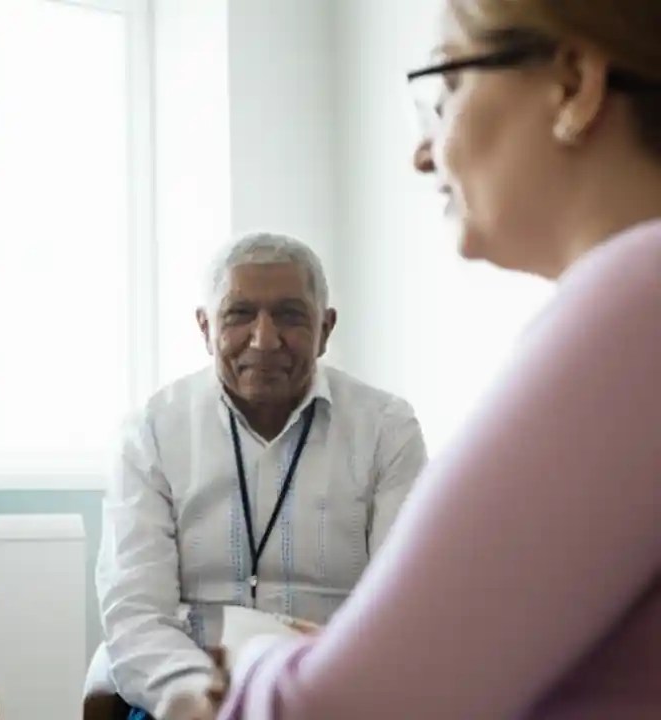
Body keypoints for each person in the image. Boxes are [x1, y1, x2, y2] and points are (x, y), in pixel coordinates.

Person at [211, 1, 661, 718]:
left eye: (445, 89)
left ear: (574, 83)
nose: (422, 153)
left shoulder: (641, 296)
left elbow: (337, 709)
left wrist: (258, 654)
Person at [95, 233, 427, 719]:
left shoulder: (386, 429)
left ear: (326, 327)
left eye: (291, 315)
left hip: (334, 695)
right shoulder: (153, 431)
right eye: (239, 314)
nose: (264, 339)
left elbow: (404, 606)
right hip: (192, 695)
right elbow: (136, 612)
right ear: (205, 327)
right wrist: (204, 697)